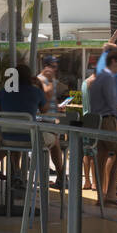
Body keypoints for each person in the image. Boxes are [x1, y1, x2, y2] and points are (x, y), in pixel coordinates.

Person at [84, 47, 117, 206]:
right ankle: (111, 193)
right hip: (108, 120)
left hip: (97, 120)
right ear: (112, 61)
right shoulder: (108, 77)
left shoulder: (96, 78)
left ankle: (101, 197)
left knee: (101, 157)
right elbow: (112, 102)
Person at [35, 57, 65, 186]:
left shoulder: (49, 79)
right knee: (54, 146)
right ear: (46, 66)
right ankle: (59, 176)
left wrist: (58, 107)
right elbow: (47, 95)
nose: (55, 69)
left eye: (56, 66)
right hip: (43, 119)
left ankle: (60, 176)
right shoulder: (41, 79)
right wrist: (52, 81)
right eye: (53, 66)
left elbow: (52, 98)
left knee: (55, 148)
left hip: (50, 118)